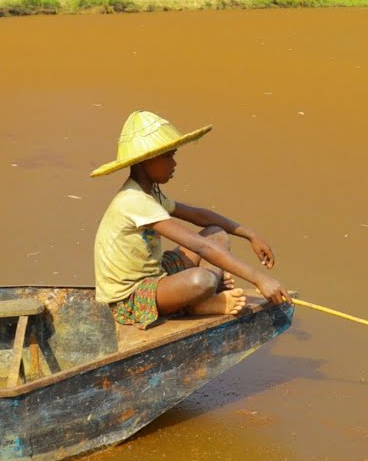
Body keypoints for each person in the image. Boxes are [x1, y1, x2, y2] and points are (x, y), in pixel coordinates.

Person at [91, 110, 290, 328]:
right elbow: (200, 247)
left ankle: (206, 293)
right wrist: (259, 279)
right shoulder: (134, 200)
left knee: (216, 234)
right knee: (200, 280)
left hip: (155, 274)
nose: (174, 163)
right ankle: (199, 302)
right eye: (168, 156)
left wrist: (249, 234)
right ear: (146, 160)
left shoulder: (150, 194)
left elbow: (199, 215)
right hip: (130, 297)